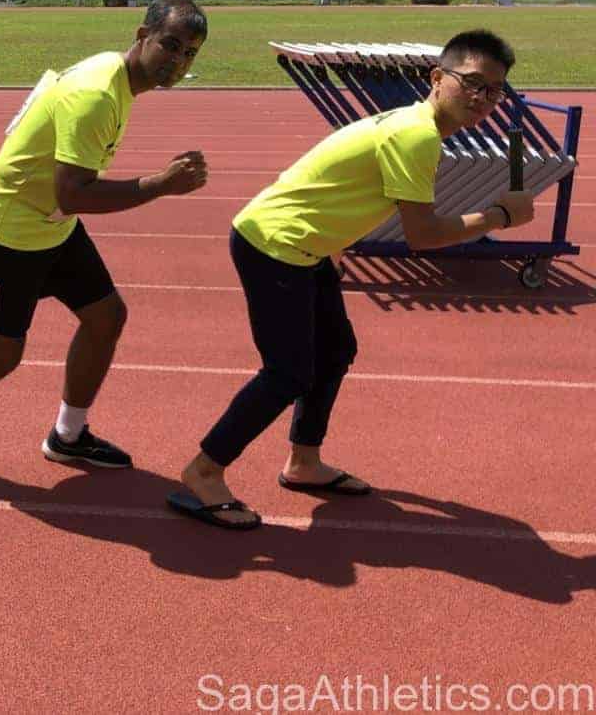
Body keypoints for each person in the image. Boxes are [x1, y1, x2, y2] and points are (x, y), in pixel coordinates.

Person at [173, 29, 535, 529]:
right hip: (275, 244)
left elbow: (341, 184)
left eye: (493, 91)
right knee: (287, 372)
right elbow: (422, 235)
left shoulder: (418, 126)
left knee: (335, 350)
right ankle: (203, 470)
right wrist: (498, 215)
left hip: (308, 245)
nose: (481, 98)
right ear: (437, 78)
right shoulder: (418, 134)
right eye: (471, 83)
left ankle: (303, 461)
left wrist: (334, 246)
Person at [0, 0, 210, 487]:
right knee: (0, 356)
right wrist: (160, 185)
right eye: (170, 44)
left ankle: (68, 435)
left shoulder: (119, 80)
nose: (178, 60)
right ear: (141, 34)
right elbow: (75, 193)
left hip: (52, 223)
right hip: (11, 231)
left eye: (190, 53)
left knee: (106, 316)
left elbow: (68, 196)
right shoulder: (97, 95)